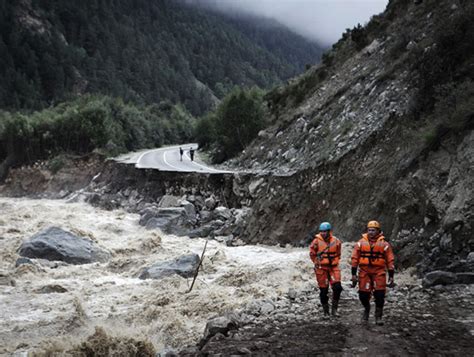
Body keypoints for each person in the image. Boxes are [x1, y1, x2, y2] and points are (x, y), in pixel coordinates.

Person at [351, 220, 395, 325]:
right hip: (364, 271)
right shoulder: (360, 243)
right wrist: (353, 274)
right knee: (363, 295)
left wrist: (391, 275)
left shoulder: (384, 244)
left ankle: (378, 316)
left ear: (378, 231)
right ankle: (367, 309)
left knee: (380, 294)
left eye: (373, 230)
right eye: (369, 230)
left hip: (378, 272)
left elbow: (390, 260)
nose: (371, 232)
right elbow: (354, 259)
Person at [309, 222, 343, 317]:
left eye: (325, 231)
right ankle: (326, 311)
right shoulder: (316, 241)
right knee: (323, 291)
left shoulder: (336, 241)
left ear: (329, 231)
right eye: (321, 232)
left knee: (337, 287)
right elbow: (312, 254)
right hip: (321, 268)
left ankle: (334, 310)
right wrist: (317, 262)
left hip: (333, 267)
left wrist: (334, 261)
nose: (323, 233)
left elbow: (338, 253)